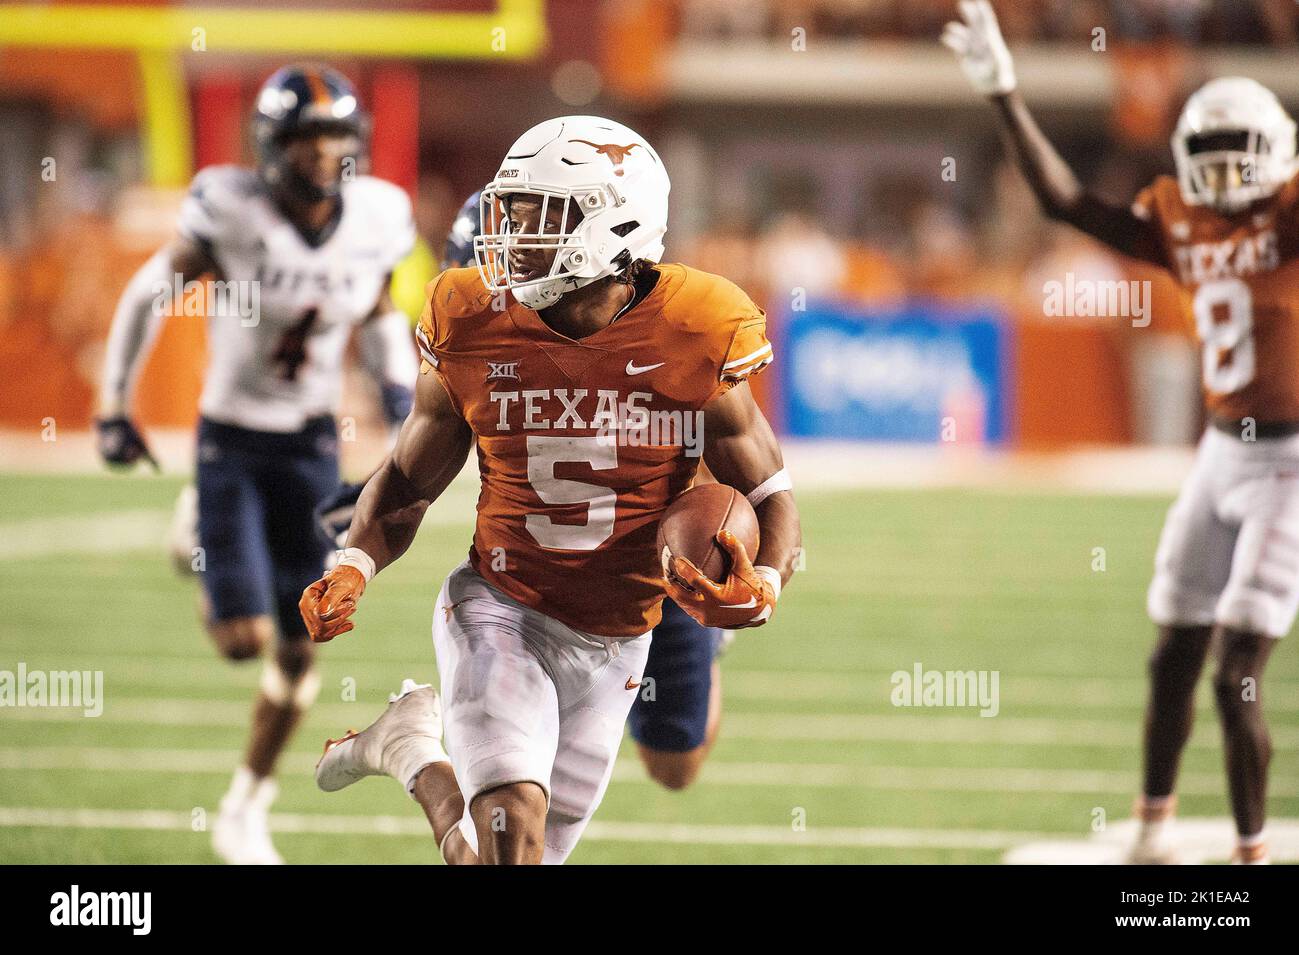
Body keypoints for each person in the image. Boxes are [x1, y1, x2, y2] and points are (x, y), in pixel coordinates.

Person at [301, 115, 802, 864]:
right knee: (513, 837)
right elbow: (407, 478)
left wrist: (764, 578)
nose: (512, 234)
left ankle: (409, 750)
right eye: (515, 210)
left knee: (511, 851)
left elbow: (769, 490)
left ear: (618, 221)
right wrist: (354, 562)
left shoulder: (696, 326)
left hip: (620, 632)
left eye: (542, 215)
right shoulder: (470, 319)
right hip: (502, 606)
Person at [945, 0, 1299, 863]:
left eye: (1237, 155)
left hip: (1293, 459)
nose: (1220, 174)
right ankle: (1151, 830)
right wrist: (1005, 94)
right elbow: (1068, 202)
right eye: (1207, 156)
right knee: (1173, 653)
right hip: (1218, 452)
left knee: (1235, 673)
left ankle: (1252, 859)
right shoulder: (1180, 217)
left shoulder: (1292, 214)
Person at [96, 64, 418, 864]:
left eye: (337, 137)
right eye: (309, 138)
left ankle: (247, 801)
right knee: (241, 638)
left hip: (310, 440)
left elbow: (378, 311)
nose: (323, 154)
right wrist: (113, 404)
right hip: (231, 437)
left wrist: (399, 390)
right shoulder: (231, 208)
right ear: (274, 146)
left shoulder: (376, 216)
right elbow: (148, 293)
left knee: (303, 636)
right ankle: (199, 523)